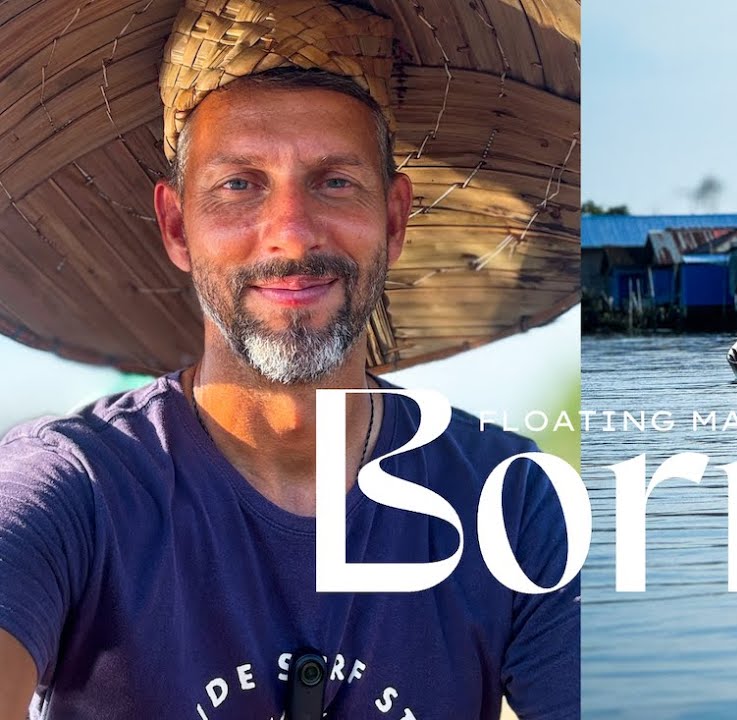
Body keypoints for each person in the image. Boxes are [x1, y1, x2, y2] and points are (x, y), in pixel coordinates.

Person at [0, 4, 577, 718]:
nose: (292, 234)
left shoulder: (512, 505)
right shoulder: (73, 488)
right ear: (177, 226)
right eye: (239, 184)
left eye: (335, 181)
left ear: (393, 221)